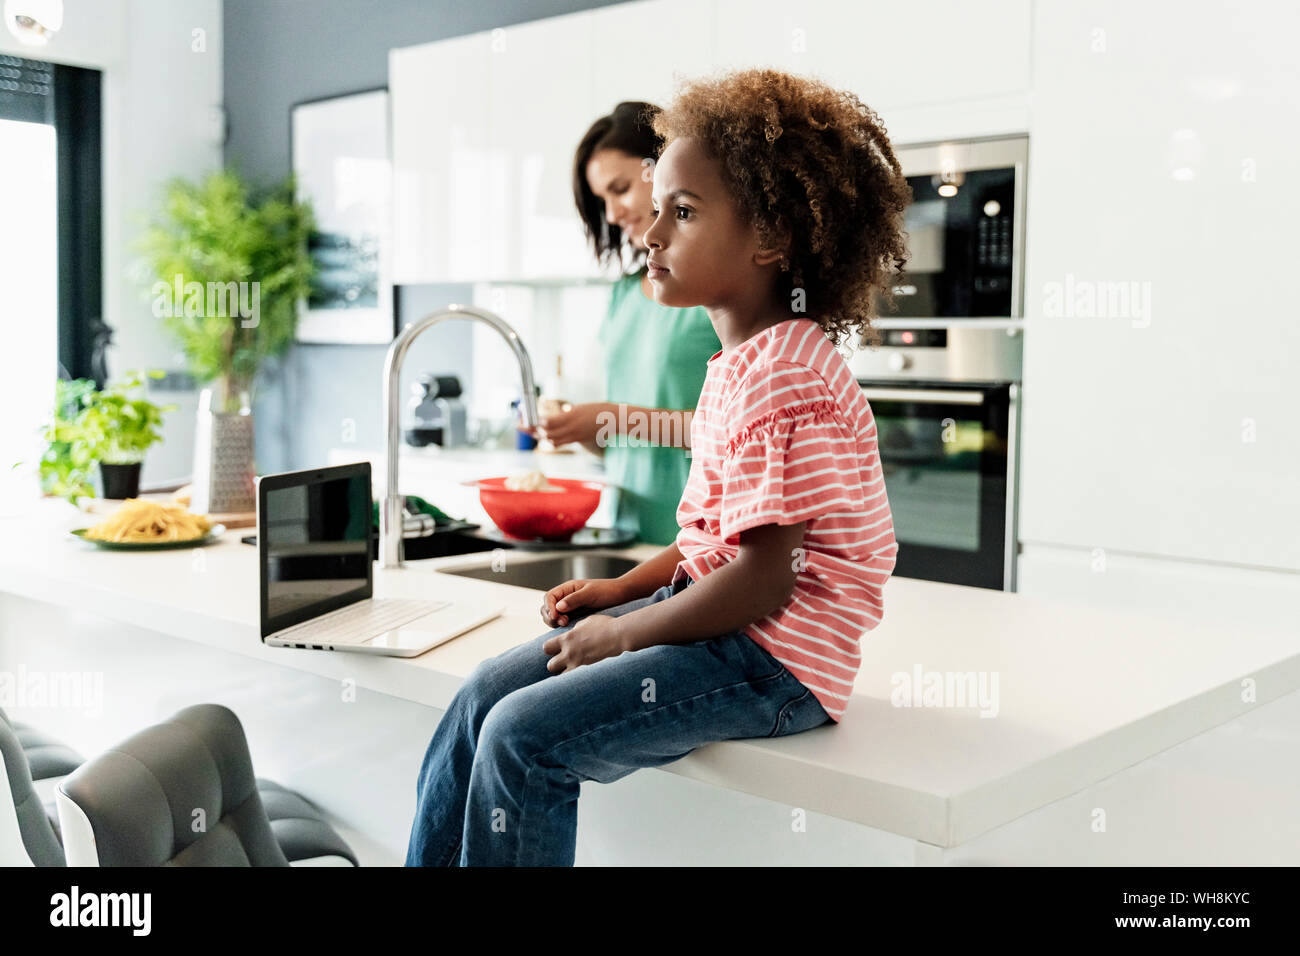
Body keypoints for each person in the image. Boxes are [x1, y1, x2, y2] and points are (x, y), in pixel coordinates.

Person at [406, 68, 908, 866]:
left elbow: (765, 579)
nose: (649, 233)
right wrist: (626, 588)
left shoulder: (786, 372)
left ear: (771, 239)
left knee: (520, 739)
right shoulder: (739, 363)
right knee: (480, 699)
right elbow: (718, 538)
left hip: (775, 662)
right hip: (727, 624)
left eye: (682, 213)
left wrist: (623, 633)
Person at [523, 101, 720, 546]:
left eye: (621, 188)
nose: (612, 214)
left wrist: (614, 418)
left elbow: (742, 433)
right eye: (602, 200)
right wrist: (582, 428)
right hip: (630, 536)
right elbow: (624, 444)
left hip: (704, 541)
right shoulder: (625, 295)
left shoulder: (719, 294)